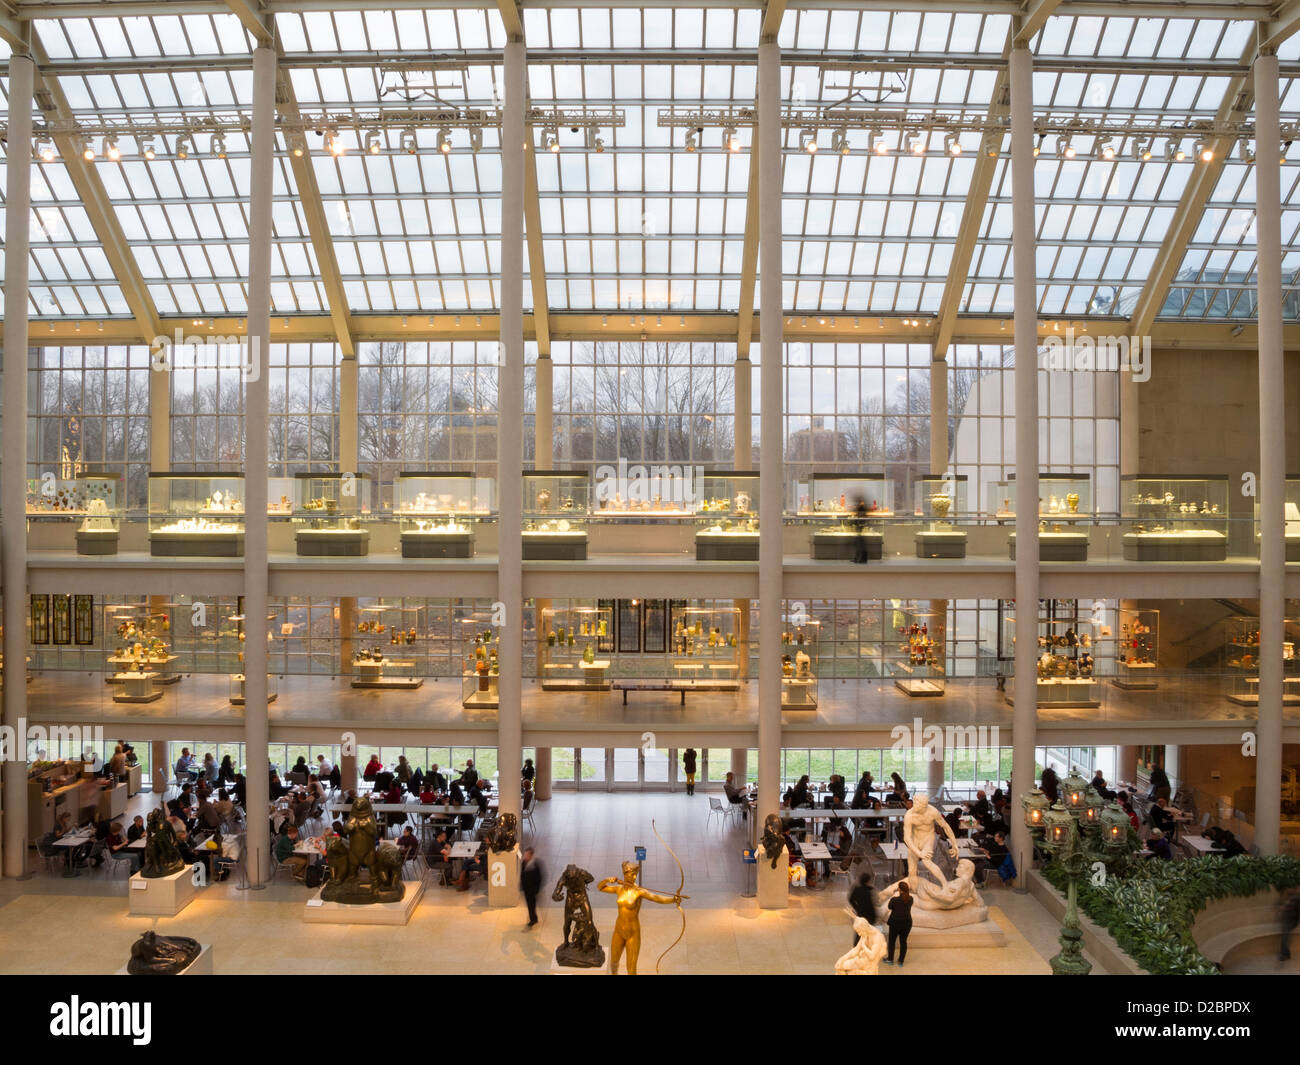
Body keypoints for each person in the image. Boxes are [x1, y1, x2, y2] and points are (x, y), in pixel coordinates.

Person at [884, 881, 913, 966]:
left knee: (892, 941)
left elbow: (889, 907)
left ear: (899, 889)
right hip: (907, 923)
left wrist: (893, 894)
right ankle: (901, 961)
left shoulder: (894, 899)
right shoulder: (911, 899)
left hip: (895, 923)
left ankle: (890, 959)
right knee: (903, 942)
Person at [848, 871, 877, 944]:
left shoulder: (856, 889)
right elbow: (870, 906)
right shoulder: (868, 892)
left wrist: (856, 907)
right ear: (867, 881)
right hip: (868, 916)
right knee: (867, 933)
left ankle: (856, 946)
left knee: (859, 932)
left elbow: (850, 899)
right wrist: (874, 917)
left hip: (860, 913)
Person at [521, 846, 543, 928]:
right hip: (526, 889)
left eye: (526, 855)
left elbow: (539, 878)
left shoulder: (535, 865)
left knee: (531, 905)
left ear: (531, 855)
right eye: (525, 854)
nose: (525, 856)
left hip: (532, 890)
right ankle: (534, 918)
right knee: (530, 905)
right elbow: (522, 875)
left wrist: (536, 890)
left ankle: (533, 920)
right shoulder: (524, 863)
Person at [1280, 888, 1300, 962]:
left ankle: (1285, 955)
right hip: (1286, 922)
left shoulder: (1296, 899)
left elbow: (1297, 913)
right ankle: (1286, 954)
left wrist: (1295, 923)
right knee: (1285, 938)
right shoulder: (1289, 899)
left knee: (1285, 939)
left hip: (1290, 922)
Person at [851, 496, 871, 564]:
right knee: (858, 543)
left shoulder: (862, 508)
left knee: (859, 543)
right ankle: (858, 558)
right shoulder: (861, 507)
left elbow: (861, 517)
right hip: (860, 527)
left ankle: (860, 558)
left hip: (860, 527)